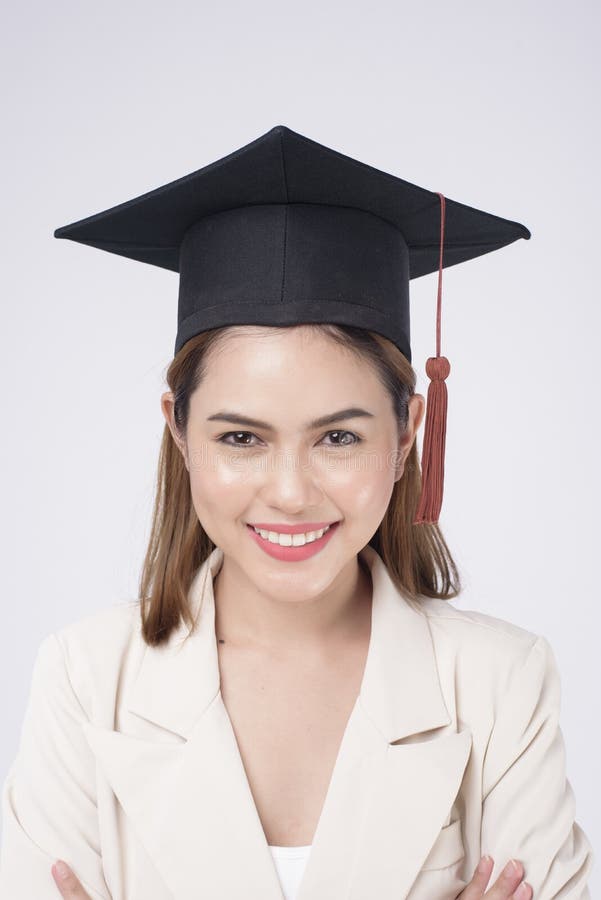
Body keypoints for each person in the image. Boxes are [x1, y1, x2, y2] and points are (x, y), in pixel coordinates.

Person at [0, 125, 594, 900]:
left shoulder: (496, 682)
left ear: (408, 430)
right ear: (177, 430)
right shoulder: (87, 677)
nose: (288, 491)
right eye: (241, 436)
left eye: (338, 436)